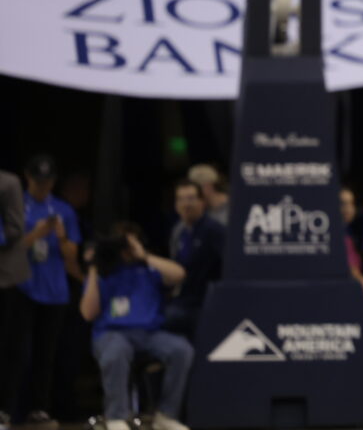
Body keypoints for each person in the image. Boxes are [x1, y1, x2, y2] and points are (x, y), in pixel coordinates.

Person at [82, 224, 193, 430]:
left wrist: (144, 255)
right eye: (122, 244)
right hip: (111, 333)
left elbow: (179, 274)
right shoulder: (104, 272)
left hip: (149, 333)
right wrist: (94, 266)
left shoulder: (149, 269)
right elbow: (88, 313)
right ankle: (116, 417)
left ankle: (166, 415)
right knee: (115, 352)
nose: (126, 249)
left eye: (129, 243)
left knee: (181, 350)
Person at [9, 155, 82, 429]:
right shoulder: (17, 207)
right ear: (27, 178)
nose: (43, 186)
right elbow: (9, 250)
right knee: (17, 353)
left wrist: (61, 236)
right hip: (23, 287)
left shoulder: (63, 210)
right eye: (39, 181)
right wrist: (35, 235)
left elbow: (71, 256)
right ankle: (9, 409)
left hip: (55, 291)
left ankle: (39, 408)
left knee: (46, 354)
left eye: (48, 181)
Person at [163, 180, 224, 338]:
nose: (186, 204)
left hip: (206, 304)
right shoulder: (178, 232)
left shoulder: (214, 230)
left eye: (191, 198)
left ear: (202, 201)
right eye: (181, 199)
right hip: (181, 301)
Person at [0, 168, 30, 429]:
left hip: (5, 279)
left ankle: (3, 411)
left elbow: (15, 228)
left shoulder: (8, 183)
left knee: (8, 348)